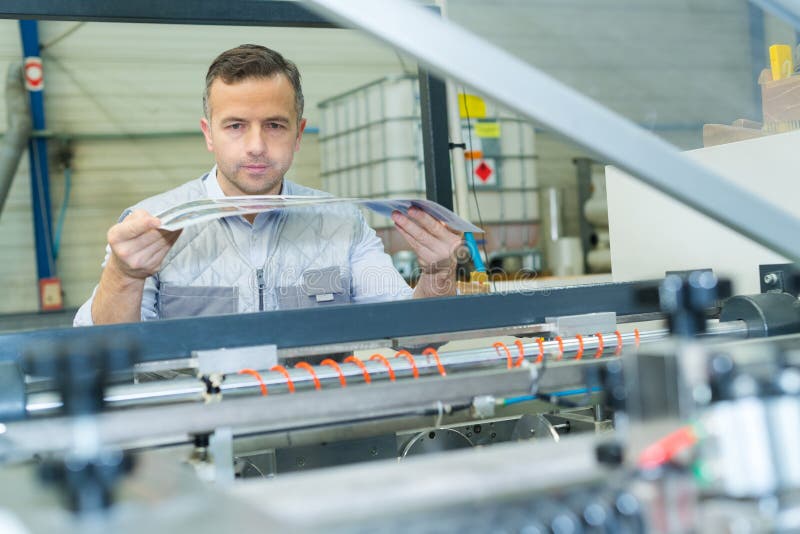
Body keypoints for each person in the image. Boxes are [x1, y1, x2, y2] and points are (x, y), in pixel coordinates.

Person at [74, 44, 461, 326]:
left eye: (274, 125)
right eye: (236, 126)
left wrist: (438, 274)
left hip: (319, 430)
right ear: (209, 134)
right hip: (196, 432)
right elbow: (106, 354)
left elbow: (416, 336)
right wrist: (124, 277)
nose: (256, 146)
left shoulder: (342, 222)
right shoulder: (154, 224)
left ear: (298, 133)